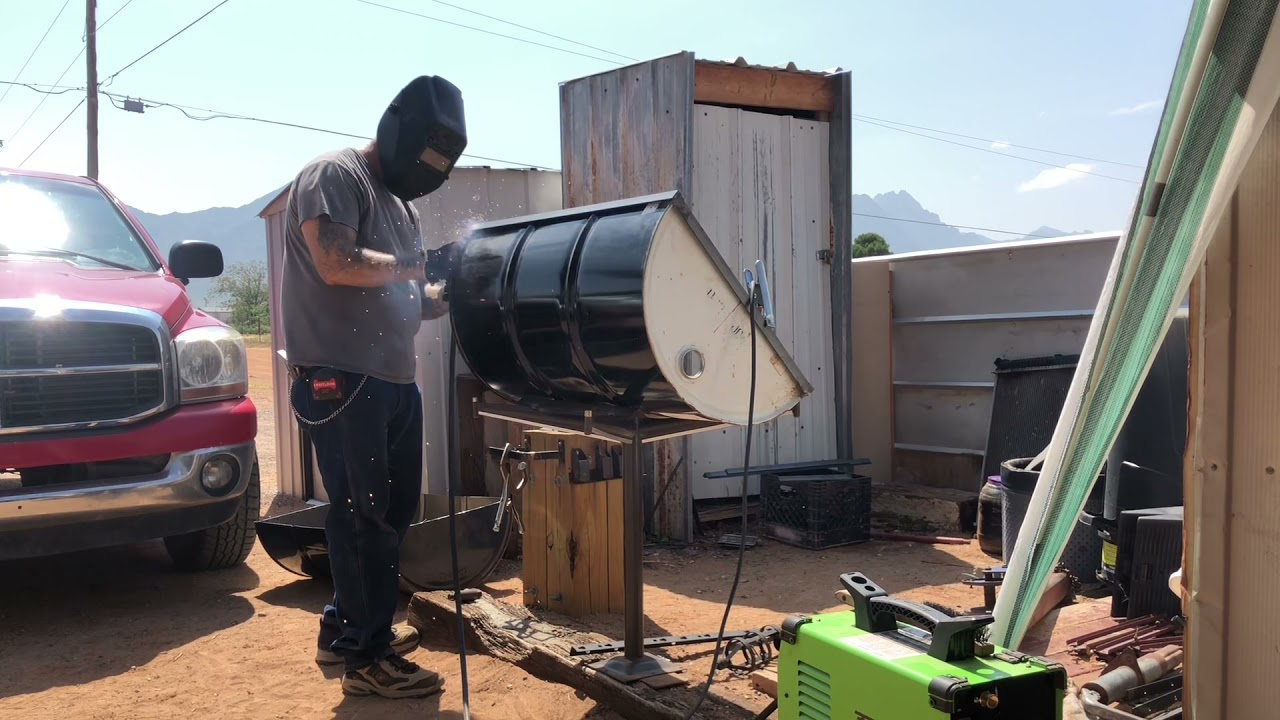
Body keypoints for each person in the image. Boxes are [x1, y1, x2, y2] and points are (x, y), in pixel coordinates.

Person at [280, 75, 468, 700]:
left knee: (388, 513)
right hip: (341, 379)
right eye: (425, 160)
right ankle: (367, 657)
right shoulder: (335, 176)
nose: (427, 175)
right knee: (364, 515)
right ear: (399, 133)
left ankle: (346, 630)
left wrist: (460, 286)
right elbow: (337, 263)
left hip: (392, 380)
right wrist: (421, 265)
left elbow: (411, 294)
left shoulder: (402, 206)